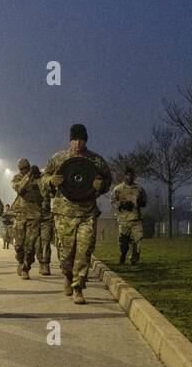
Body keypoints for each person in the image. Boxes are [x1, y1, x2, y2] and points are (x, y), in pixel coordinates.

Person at [43, 123, 112, 305]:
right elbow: (42, 178)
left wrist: (101, 185)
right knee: (66, 253)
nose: (78, 143)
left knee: (84, 250)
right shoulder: (59, 158)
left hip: (87, 213)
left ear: (86, 140)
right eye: (74, 139)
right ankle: (67, 275)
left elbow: (107, 179)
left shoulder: (96, 161)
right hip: (64, 213)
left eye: (81, 139)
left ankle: (78, 287)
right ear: (70, 140)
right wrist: (51, 180)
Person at [9, 158, 50, 280]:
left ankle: (26, 267)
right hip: (20, 215)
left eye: (26, 168)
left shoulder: (38, 178)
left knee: (30, 245)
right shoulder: (17, 178)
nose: (24, 170)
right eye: (22, 169)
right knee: (19, 245)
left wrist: (38, 178)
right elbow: (19, 189)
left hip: (34, 215)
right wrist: (28, 176)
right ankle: (21, 261)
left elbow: (45, 193)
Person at [111, 166, 147, 266]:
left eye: (132, 175)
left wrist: (141, 203)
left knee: (138, 240)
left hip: (136, 219)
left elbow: (144, 201)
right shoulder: (118, 189)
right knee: (123, 243)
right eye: (128, 175)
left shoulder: (139, 188)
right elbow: (113, 201)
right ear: (124, 176)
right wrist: (121, 204)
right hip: (123, 220)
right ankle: (123, 254)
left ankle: (134, 259)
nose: (130, 177)